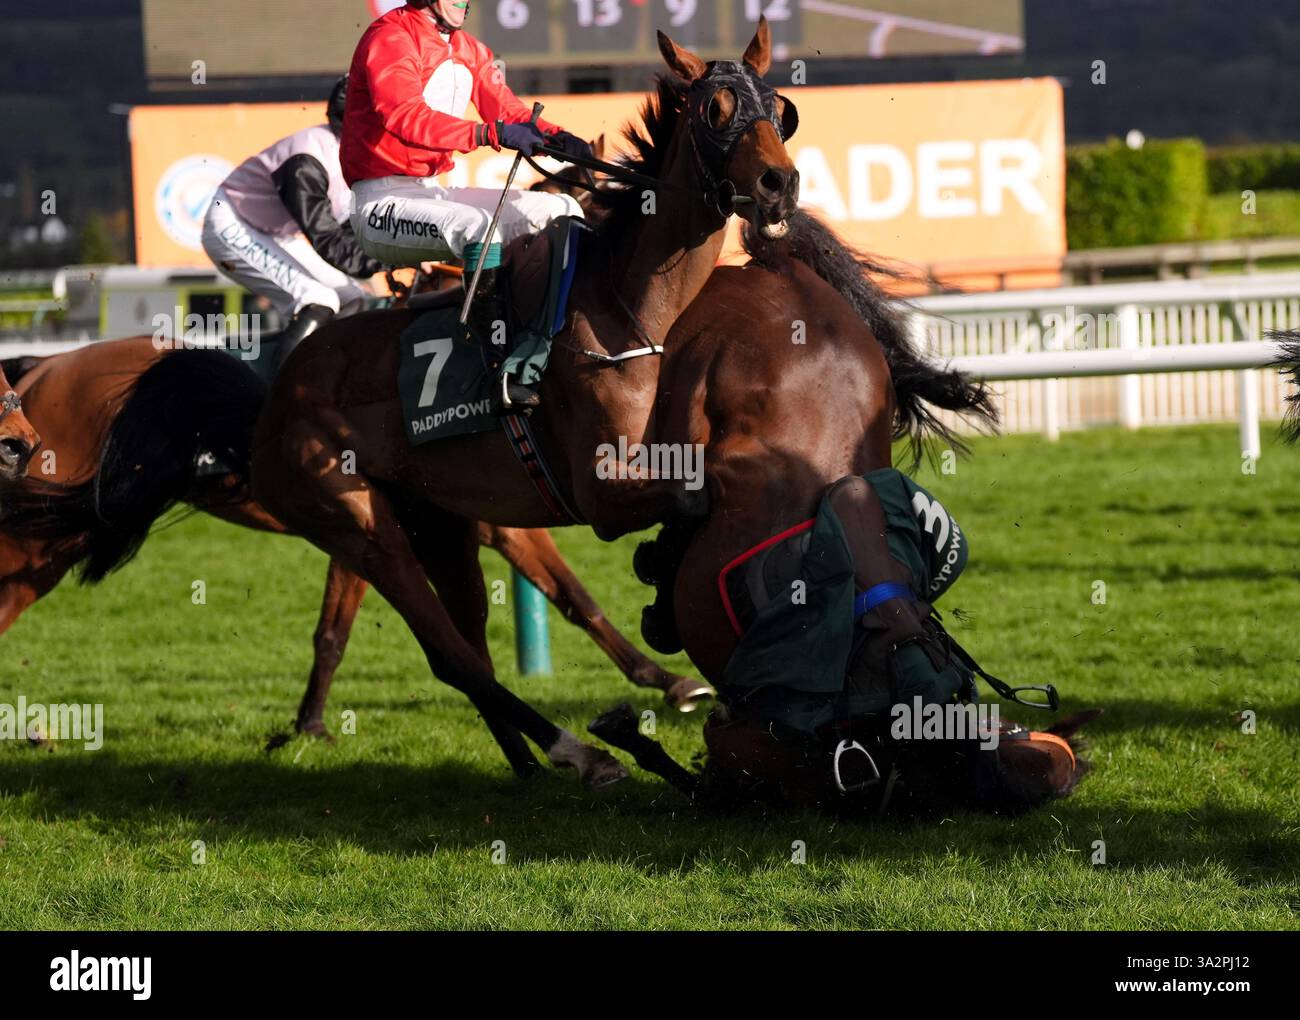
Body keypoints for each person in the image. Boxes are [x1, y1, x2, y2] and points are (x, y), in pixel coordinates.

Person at [342, 0, 593, 411]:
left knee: (563, 210)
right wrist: (488, 133)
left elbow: (509, 111)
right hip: (381, 202)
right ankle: (494, 366)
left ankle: (540, 344)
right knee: (480, 229)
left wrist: (558, 137)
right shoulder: (390, 37)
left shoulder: (471, 50)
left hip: (430, 191)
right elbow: (404, 116)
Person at [202, 77, 384, 371]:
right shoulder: (308, 161)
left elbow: (353, 233)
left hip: (272, 230)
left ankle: (329, 377)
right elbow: (330, 244)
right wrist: (390, 262)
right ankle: (282, 404)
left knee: (353, 298)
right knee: (317, 300)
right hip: (230, 221)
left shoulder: (352, 156)